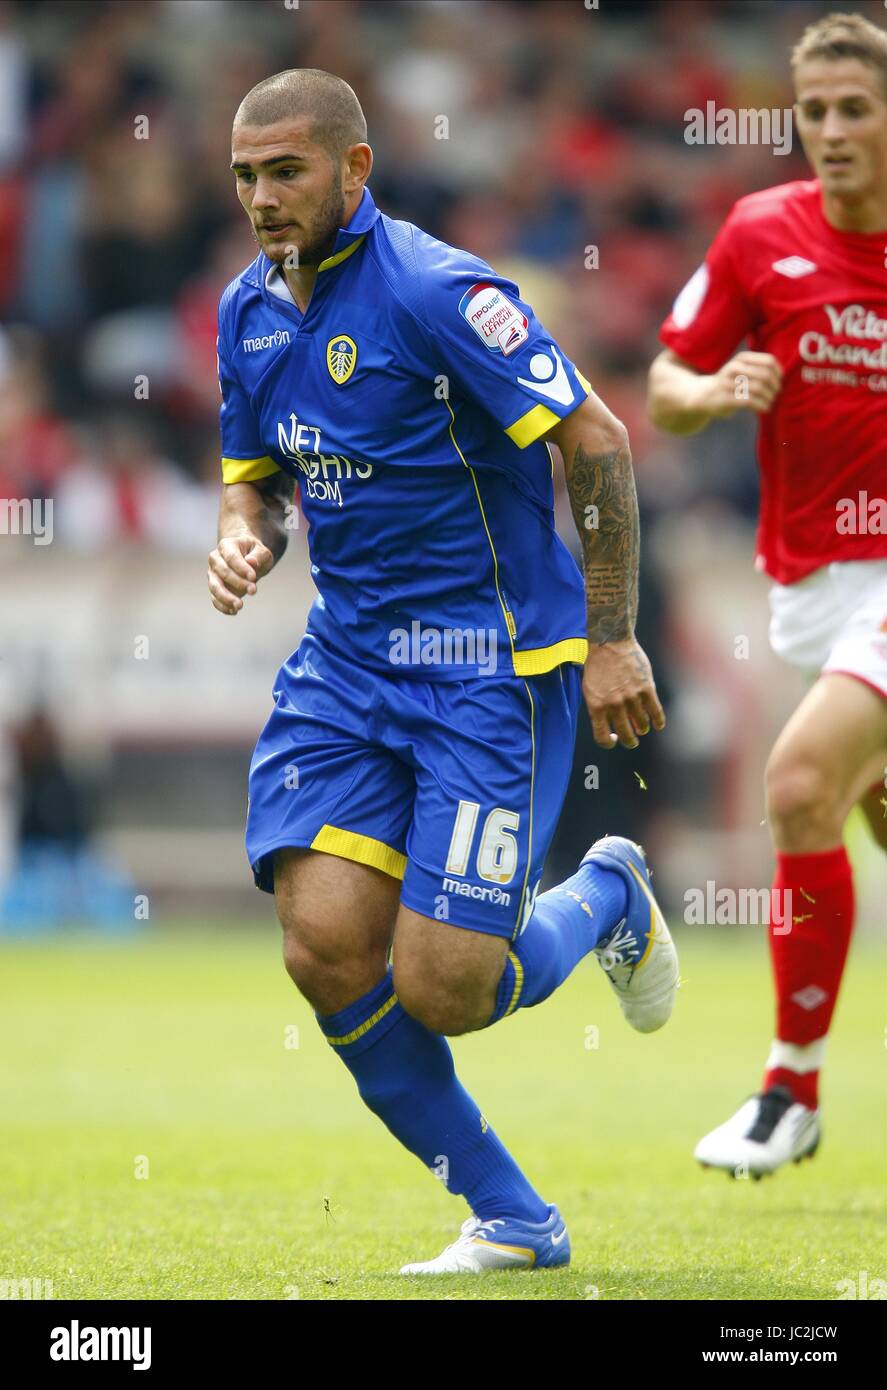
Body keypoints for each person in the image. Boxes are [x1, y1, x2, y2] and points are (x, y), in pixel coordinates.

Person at [209, 68, 676, 1273]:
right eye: (245, 176)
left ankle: (608, 894)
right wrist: (243, 537)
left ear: (354, 170)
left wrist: (614, 634)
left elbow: (595, 438)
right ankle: (512, 1215)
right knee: (320, 946)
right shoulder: (246, 314)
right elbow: (261, 478)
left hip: (486, 672)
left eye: (286, 171)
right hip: (345, 669)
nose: (262, 198)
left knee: (447, 985)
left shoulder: (436, 292)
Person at [647, 13, 887, 1179]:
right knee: (867, 817)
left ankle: (786, 1088)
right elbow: (662, 385)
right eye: (814, 111)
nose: (831, 131)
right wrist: (712, 384)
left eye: (856, 108)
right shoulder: (758, 234)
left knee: (794, 787)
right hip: (809, 590)